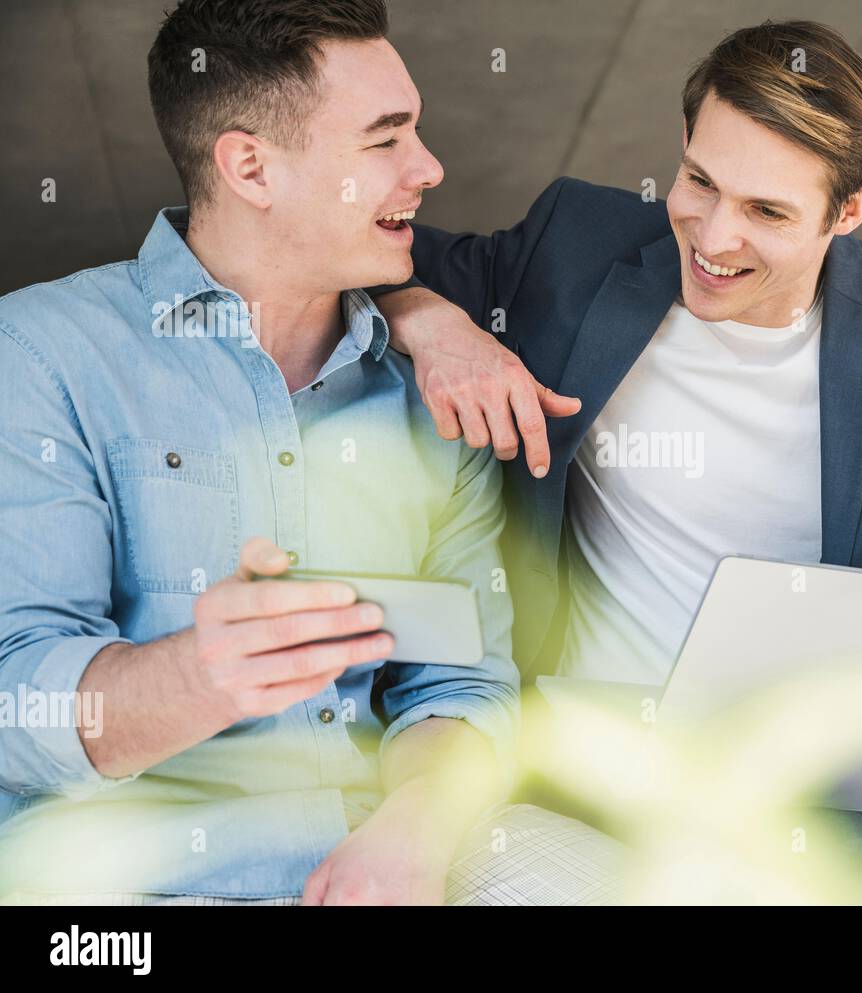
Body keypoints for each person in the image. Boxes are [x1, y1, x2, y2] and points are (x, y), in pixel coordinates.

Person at [371, 20, 862, 891]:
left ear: (848, 212)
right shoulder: (575, 242)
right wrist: (429, 322)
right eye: (700, 181)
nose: (714, 237)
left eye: (768, 211)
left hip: (798, 796)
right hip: (578, 760)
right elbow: (364, 253)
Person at [0, 0, 621, 906]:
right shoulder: (42, 353)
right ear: (251, 165)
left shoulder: (429, 396)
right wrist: (201, 674)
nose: (430, 167)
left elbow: (458, 683)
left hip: (391, 858)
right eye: (385, 140)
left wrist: (413, 826)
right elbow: (15, 693)